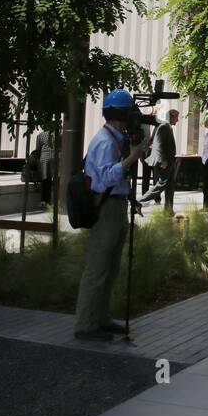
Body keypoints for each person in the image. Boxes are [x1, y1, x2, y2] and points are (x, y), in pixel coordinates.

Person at [73, 90, 149, 341]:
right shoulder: (105, 142)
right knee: (98, 266)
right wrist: (131, 159)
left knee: (111, 266)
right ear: (122, 115)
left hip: (115, 205)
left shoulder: (116, 138)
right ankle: (86, 324)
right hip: (106, 206)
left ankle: (101, 317)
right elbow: (106, 176)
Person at [141, 107, 179, 211]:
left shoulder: (167, 126)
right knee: (161, 185)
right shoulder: (164, 126)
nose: (177, 120)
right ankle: (140, 202)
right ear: (171, 116)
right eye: (176, 117)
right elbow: (159, 144)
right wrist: (163, 160)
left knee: (169, 186)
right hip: (165, 162)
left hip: (170, 161)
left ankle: (168, 210)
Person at [35, 128, 56, 206]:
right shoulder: (58, 134)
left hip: (44, 159)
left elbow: (38, 149)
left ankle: (44, 200)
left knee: (45, 179)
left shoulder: (40, 135)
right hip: (55, 157)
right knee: (56, 178)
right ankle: (56, 200)